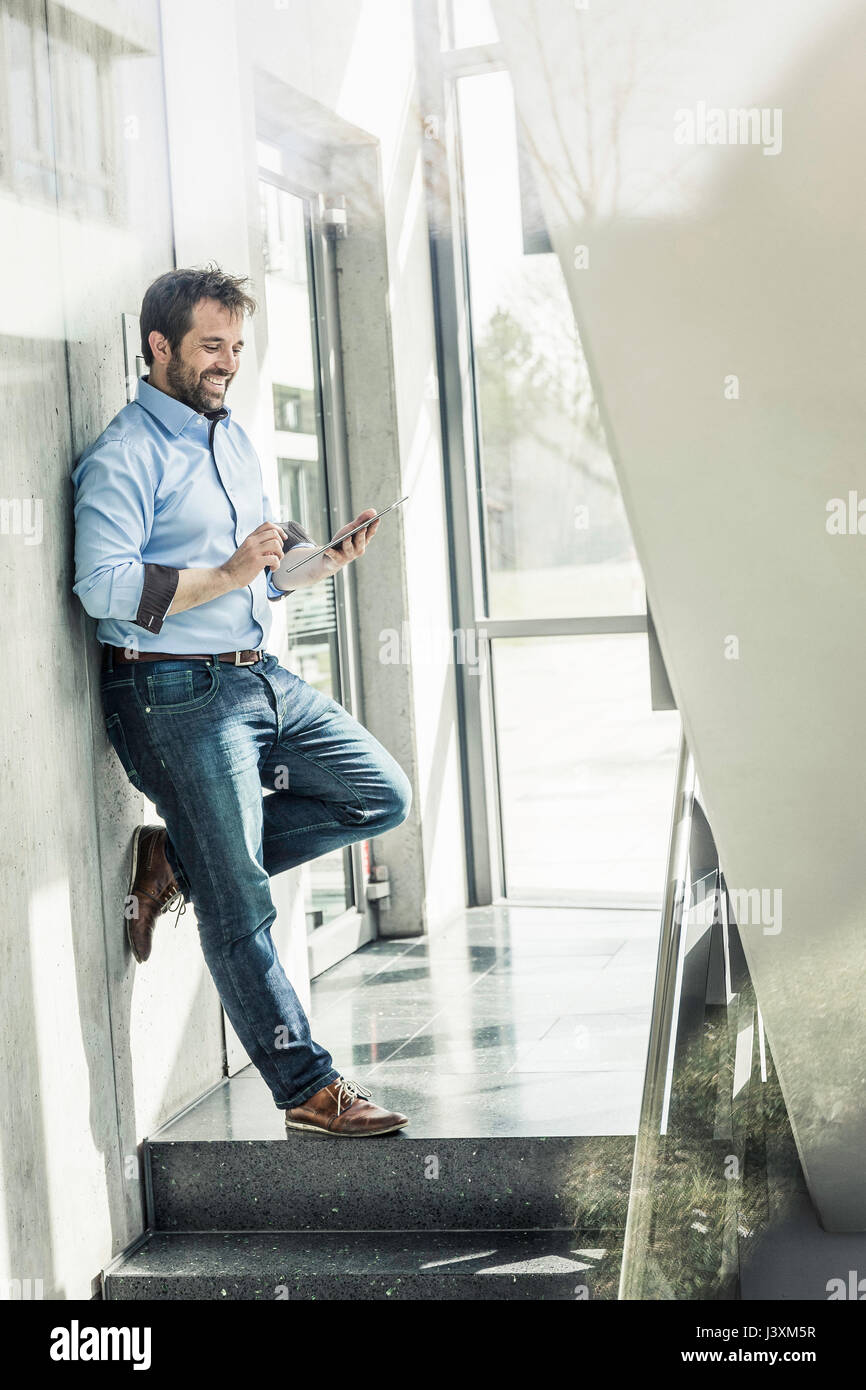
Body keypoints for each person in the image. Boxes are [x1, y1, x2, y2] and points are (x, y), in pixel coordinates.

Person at [71, 265, 411, 1137]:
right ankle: (305, 1088)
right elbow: (102, 585)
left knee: (379, 794)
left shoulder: (236, 441)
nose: (226, 364)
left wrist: (319, 562)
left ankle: (181, 863)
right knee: (242, 902)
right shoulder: (125, 453)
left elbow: (269, 563)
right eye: (210, 347)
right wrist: (225, 574)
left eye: (236, 348)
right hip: (172, 691)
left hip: (259, 673)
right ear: (158, 347)